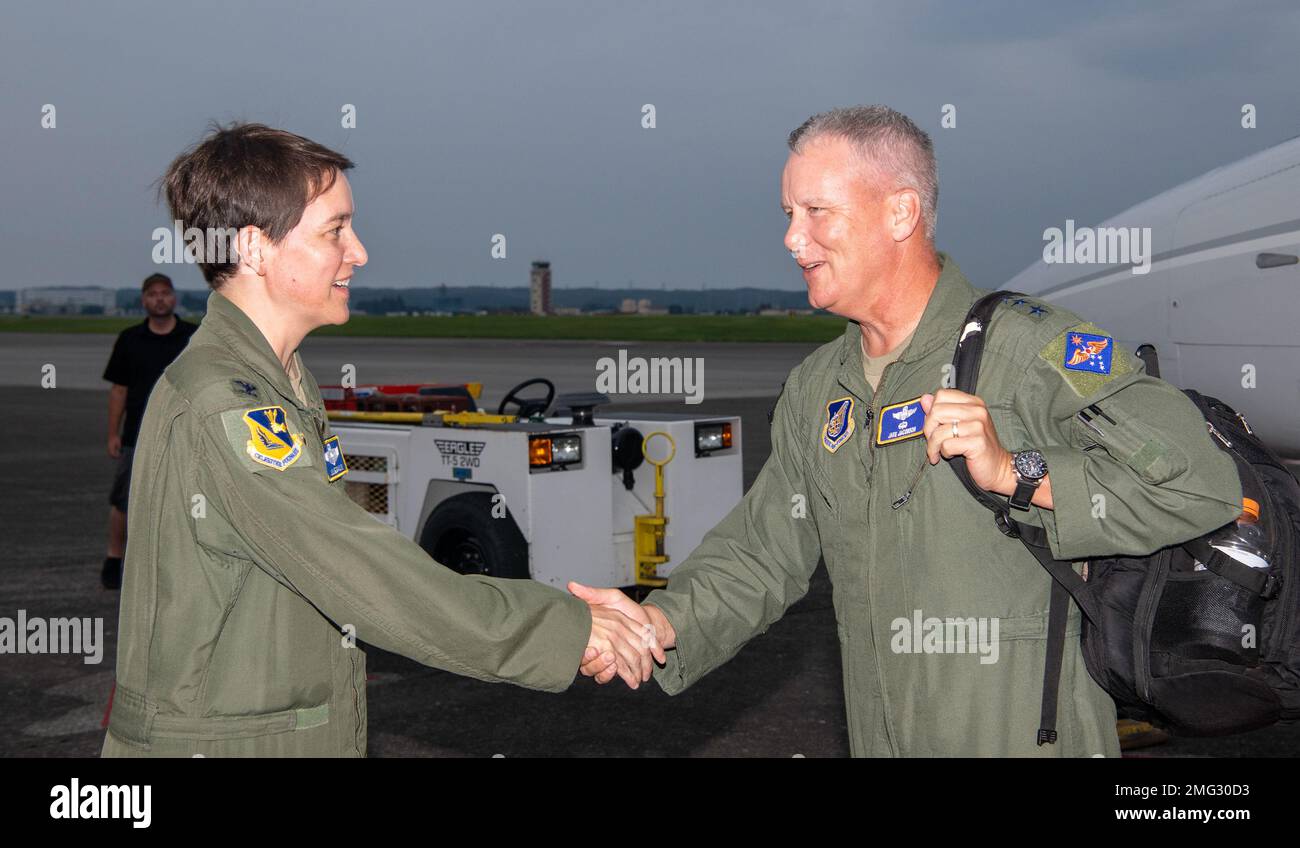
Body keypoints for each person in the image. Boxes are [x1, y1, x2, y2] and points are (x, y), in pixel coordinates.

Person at [571, 105, 1243, 757]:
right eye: (787, 214)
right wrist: (660, 623)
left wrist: (1018, 472)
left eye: (816, 212)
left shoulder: (1029, 350)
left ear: (899, 212)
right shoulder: (818, 387)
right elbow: (760, 552)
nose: (791, 239)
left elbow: (1201, 486)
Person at [102, 123, 660, 757]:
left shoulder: (282, 381)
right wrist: (566, 629)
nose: (359, 251)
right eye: (334, 230)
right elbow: (356, 569)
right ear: (255, 248)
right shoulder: (226, 405)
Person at [101, 273, 197, 589]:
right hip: (137, 436)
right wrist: (113, 433)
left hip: (184, 434)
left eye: (165, 293)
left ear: (174, 298)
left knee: (186, 500)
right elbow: (119, 390)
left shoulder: (192, 338)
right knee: (124, 500)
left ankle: (182, 562)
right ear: (144, 300)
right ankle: (115, 558)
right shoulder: (129, 339)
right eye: (153, 294)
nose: (159, 299)